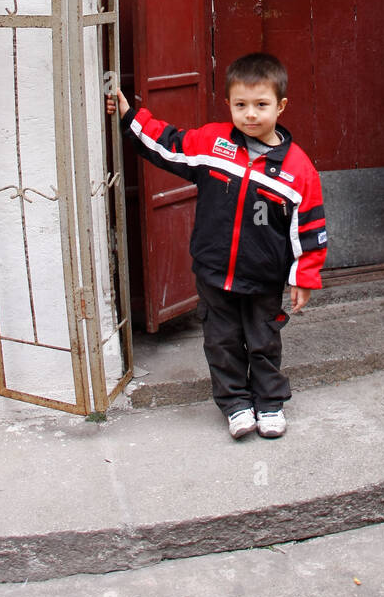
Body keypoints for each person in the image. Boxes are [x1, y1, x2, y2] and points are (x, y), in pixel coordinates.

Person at [105, 53, 327, 439]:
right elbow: (168, 144)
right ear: (228, 105)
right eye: (241, 105)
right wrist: (130, 117)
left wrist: (303, 277)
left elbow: (308, 228)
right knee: (221, 342)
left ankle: (270, 403)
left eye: (261, 105)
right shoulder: (213, 143)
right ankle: (236, 404)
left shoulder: (298, 169)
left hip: (263, 281)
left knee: (263, 342)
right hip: (213, 274)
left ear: (281, 106)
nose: (251, 115)